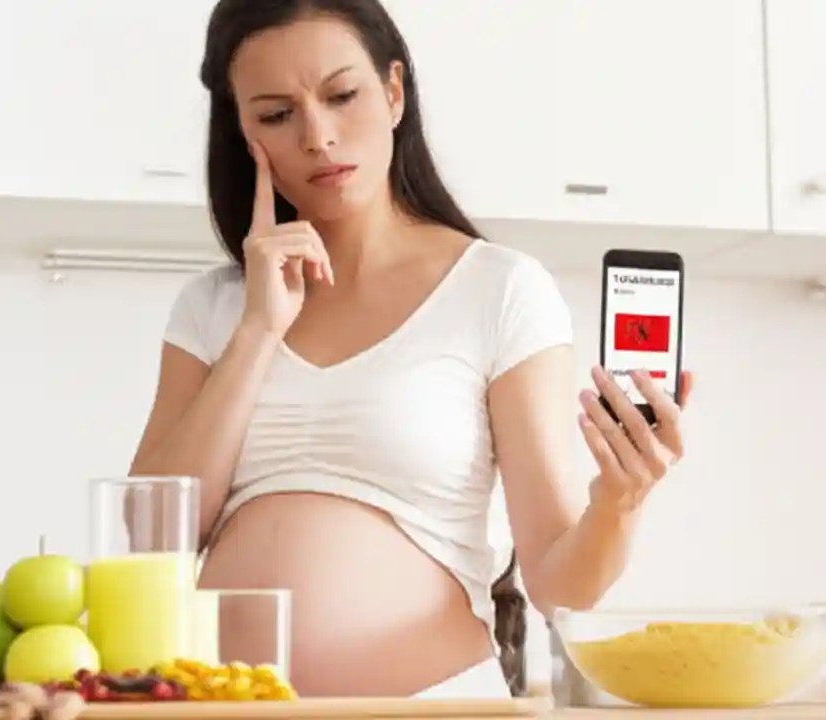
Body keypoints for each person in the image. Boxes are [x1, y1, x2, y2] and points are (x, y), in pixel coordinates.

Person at [128, 0, 694, 700]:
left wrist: (620, 498)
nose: (318, 136)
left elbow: (559, 587)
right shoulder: (214, 310)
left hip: (431, 708)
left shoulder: (500, 290)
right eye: (276, 114)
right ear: (243, 132)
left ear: (393, 92)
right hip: (220, 712)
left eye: (342, 95)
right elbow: (147, 545)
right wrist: (257, 332)